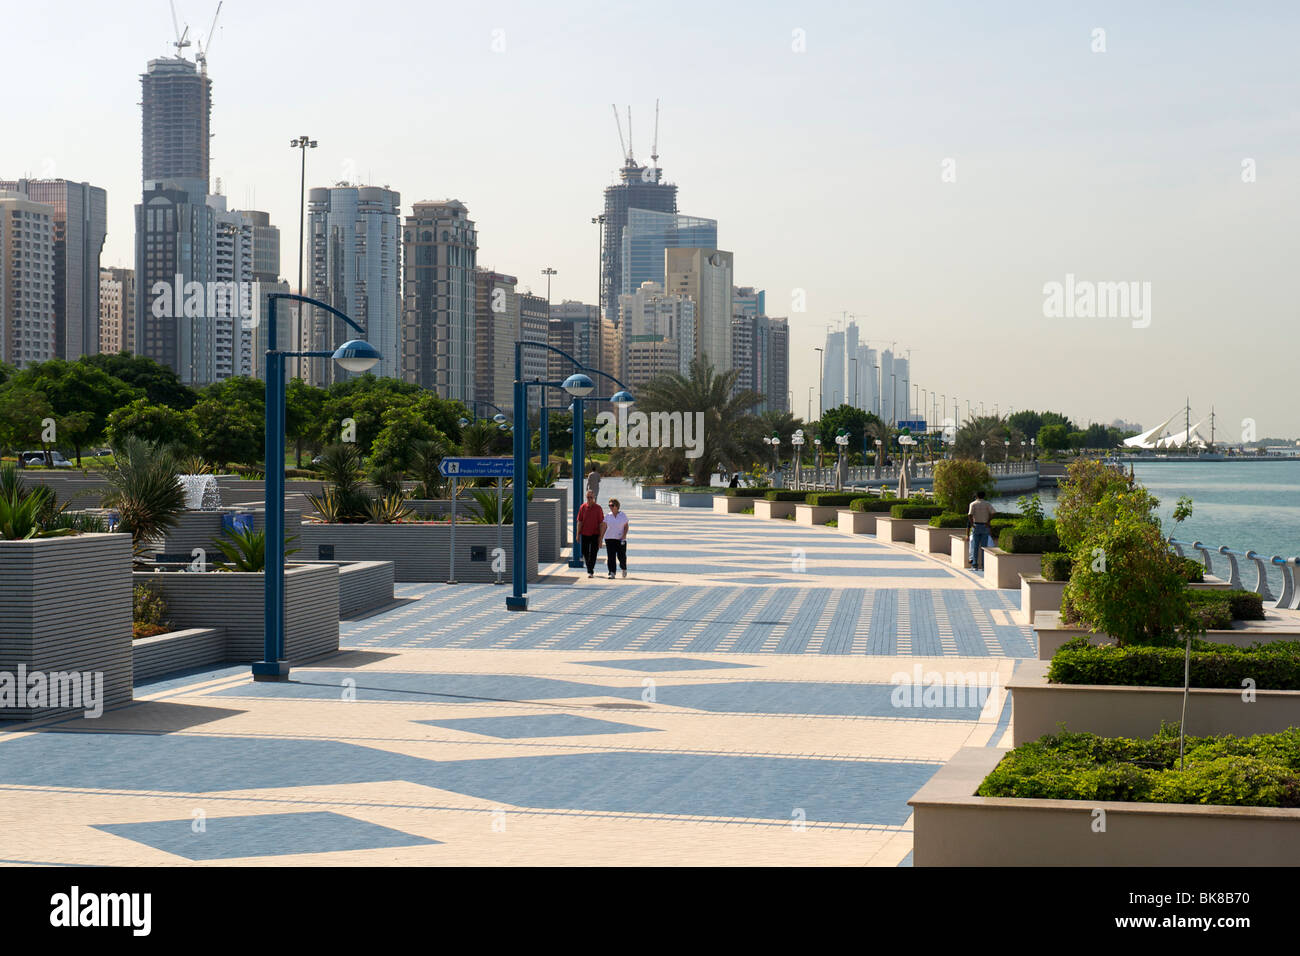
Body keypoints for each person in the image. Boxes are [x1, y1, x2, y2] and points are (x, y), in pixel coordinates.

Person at [576, 490, 604, 578]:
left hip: (595, 534)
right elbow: (579, 521)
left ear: (594, 498)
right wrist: (577, 534)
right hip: (585, 533)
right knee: (584, 551)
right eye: (588, 497)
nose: (589, 499)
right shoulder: (582, 507)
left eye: (591, 497)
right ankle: (590, 568)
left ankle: (590, 570)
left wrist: (600, 538)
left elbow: (601, 523)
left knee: (593, 553)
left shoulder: (598, 508)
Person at [600, 498, 629, 578]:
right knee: (611, 556)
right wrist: (600, 539)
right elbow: (604, 527)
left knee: (621, 556)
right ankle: (612, 572)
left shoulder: (622, 515)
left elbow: (626, 526)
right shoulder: (608, 516)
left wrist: (624, 535)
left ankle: (623, 568)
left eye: (612, 505)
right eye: (609, 505)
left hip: (620, 539)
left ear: (616, 506)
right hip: (609, 539)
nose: (611, 507)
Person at [968, 490, 996, 570]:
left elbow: (970, 514)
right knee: (984, 547)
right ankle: (984, 566)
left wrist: (972, 523)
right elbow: (993, 512)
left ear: (976, 496)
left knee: (975, 546)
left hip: (976, 525)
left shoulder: (973, 504)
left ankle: (975, 565)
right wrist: (988, 521)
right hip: (985, 526)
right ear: (984, 496)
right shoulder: (987, 504)